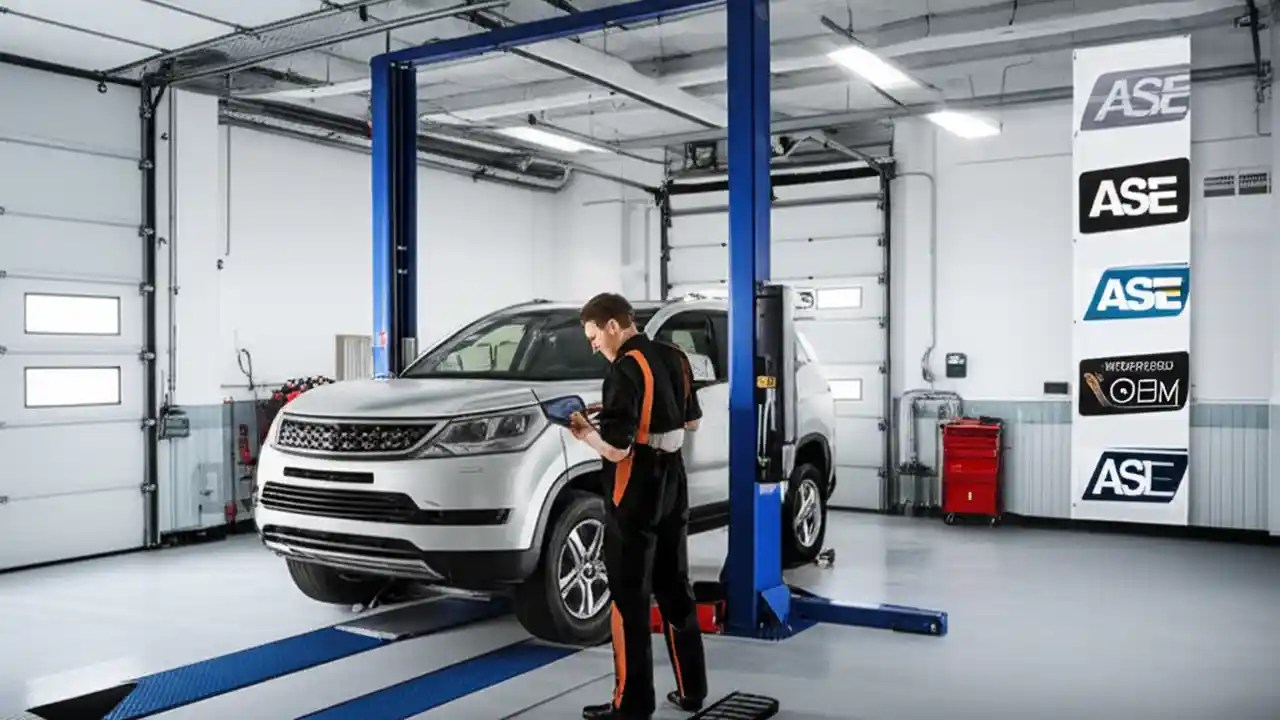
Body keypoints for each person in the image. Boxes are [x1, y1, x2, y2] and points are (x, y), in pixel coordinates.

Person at [569, 292, 708, 719]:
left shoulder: (624, 368)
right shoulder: (675, 357)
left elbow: (616, 448)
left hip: (634, 487)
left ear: (612, 325)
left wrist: (584, 431)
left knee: (629, 597)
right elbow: (692, 421)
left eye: (594, 337)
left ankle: (631, 705)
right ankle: (692, 690)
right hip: (673, 481)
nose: (595, 347)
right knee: (675, 586)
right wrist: (626, 413)